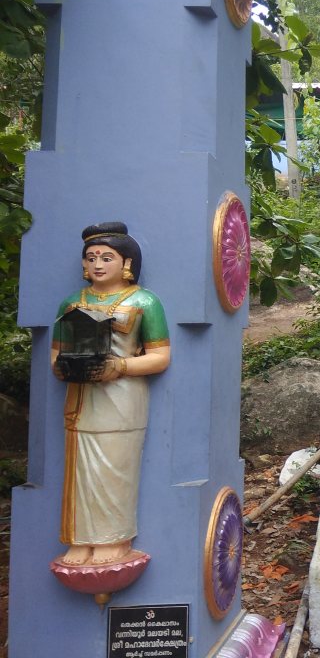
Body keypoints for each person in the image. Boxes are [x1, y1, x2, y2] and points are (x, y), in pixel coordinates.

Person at [51, 222, 170, 566]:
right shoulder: (72, 302)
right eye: (91, 258)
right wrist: (66, 368)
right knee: (80, 475)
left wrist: (119, 367)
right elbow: (57, 356)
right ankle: (80, 540)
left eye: (107, 257)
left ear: (127, 263)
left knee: (115, 473)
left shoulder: (145, 302)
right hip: (81, 398)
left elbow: (161, 357)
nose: (98, 265)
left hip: (122, 401)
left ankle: (113, 540)